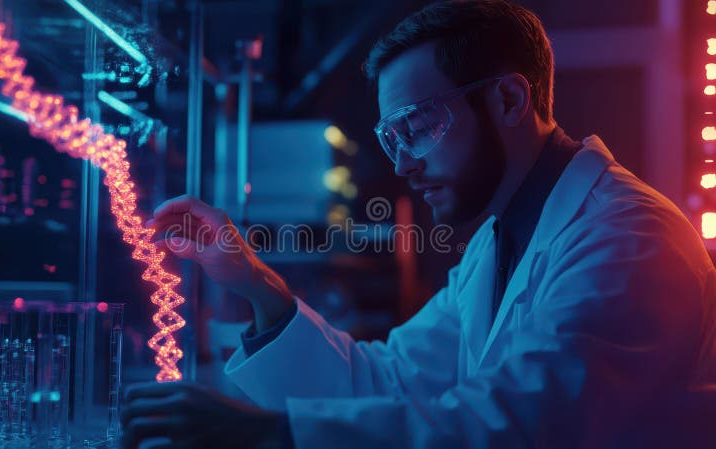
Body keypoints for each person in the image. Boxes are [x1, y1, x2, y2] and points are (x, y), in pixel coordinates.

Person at [120, 1, 716, 448]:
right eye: (391, 138)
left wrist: (270, 436)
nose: (403, 164)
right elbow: (390, 381)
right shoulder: (498, 241)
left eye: (418, 126)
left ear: (510, 100)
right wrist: (254, 281)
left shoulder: (631, 238)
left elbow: (527, 426)